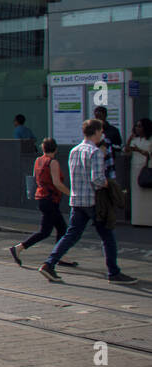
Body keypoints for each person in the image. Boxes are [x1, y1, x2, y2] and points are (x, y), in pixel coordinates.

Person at [39, 118, 137, 284]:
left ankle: (49, 264)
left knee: (71, 235)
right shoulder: (95, 152)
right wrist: (111, 185)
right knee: (108, 236)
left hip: (77, 200)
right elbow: (97, 179)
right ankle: (114, 272)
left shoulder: (74, 151)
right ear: (97, 132)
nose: (102, 135)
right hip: (94, 201)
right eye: (101, 132)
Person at [8, 137, 77, 268]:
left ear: (43, 148)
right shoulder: (53, 162)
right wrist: (72, 194)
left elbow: (36, 178)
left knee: (61, 228)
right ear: (55, 149)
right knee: (45, 231)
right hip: (50, 198)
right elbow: (57, 183)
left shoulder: (38, 160)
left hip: (42, 198)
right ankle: (19, 248)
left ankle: (60, 254)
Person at [125, 117, 152, 228]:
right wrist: (129, 140)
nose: (137, 128)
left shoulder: (150, 140)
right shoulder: (135, 139)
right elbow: (126, 151)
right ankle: (137, 219)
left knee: (147, 194)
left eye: (140, 126)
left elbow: (149, 154)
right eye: (136, 126)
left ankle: (148, 219)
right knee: (136, 193)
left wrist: (139, 150)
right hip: (134, 167)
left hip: (146, 167)